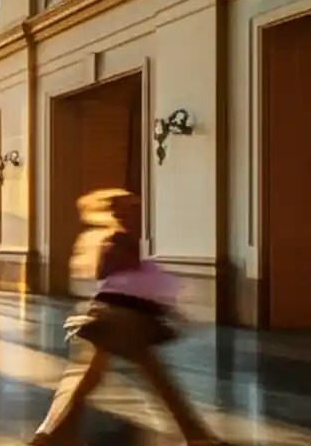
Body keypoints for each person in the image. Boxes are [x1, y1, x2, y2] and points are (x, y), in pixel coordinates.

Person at [29, 190, 227, 445]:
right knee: (156, 380)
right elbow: (116, 277)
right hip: (120, 319)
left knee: (85, 380)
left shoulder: (112, 239)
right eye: (126, 209)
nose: (132, 214)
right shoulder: (115, 239)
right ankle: (196, 435)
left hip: (108, 316)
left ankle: (50, 436)